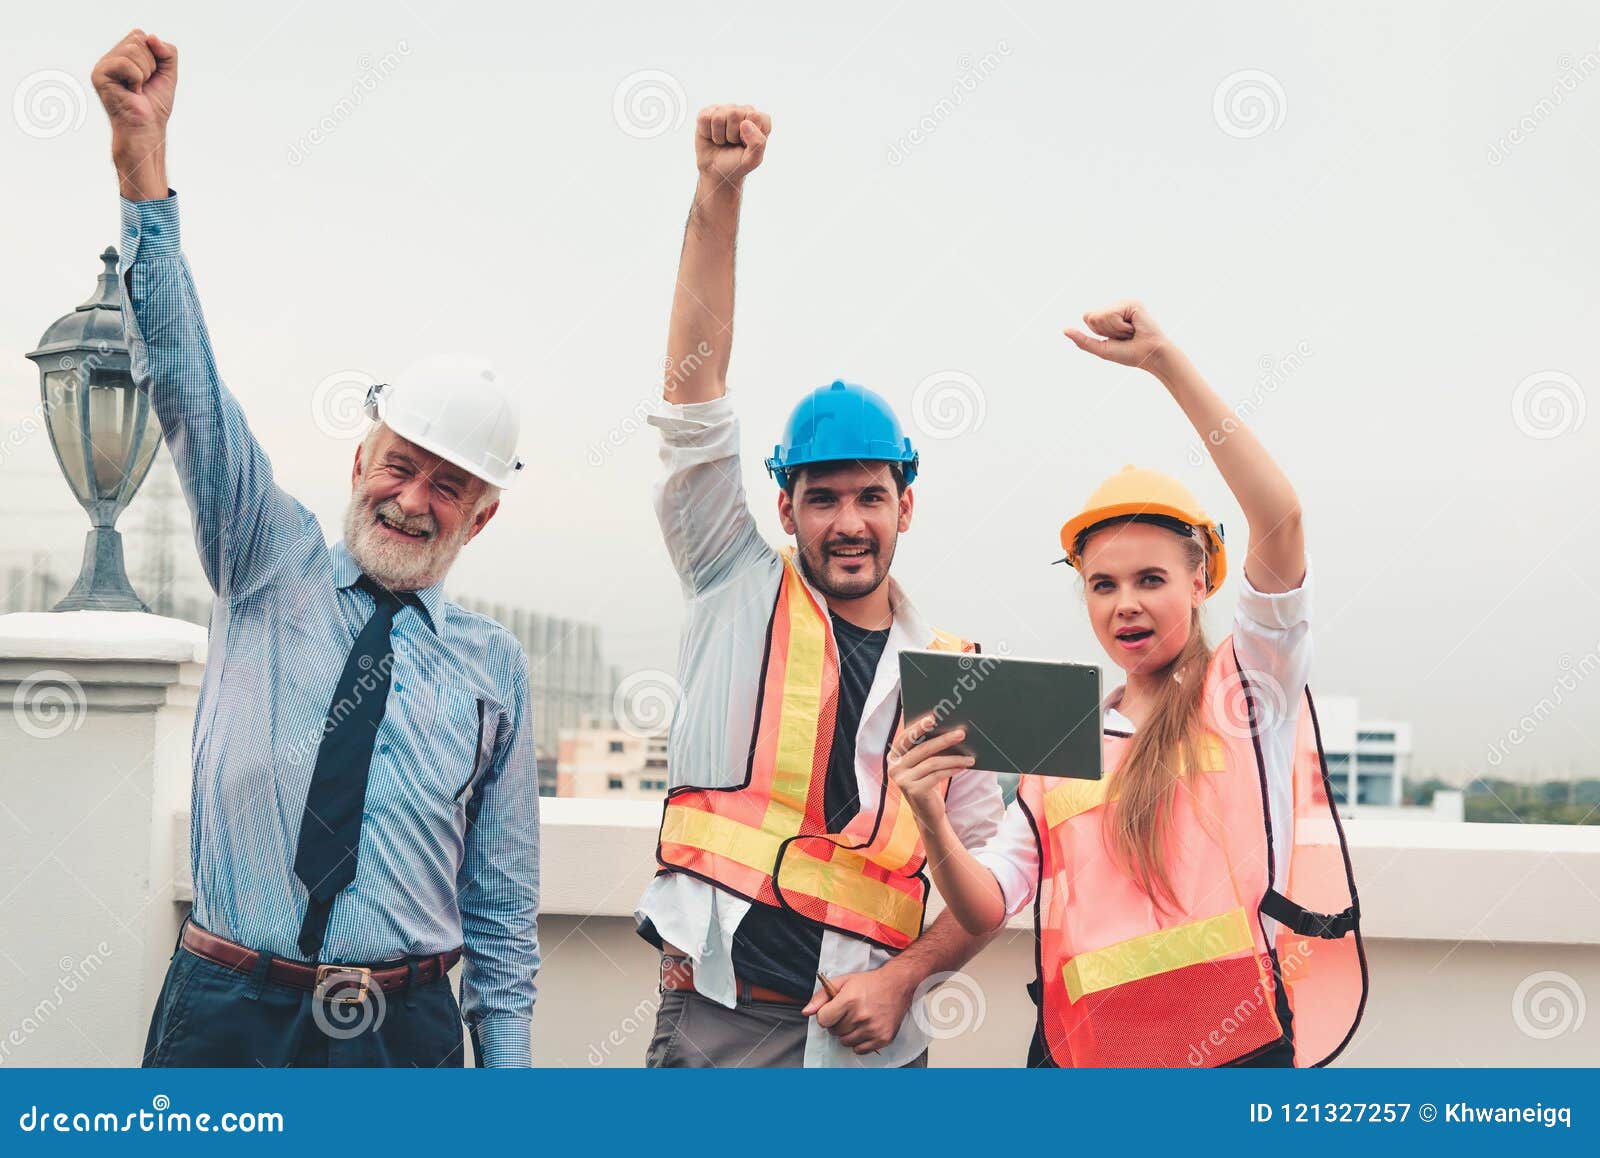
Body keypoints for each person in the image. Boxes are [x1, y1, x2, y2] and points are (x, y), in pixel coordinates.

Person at [93, 29, 541, 1068]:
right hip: (229, 1014)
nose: (413, 499)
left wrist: (510, 1076)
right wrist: (140, 164)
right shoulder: (266, 560)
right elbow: (187, 385)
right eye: (400, 465)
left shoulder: (494, 671)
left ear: (480, 516)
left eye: (448, 484)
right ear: (359, 458)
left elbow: (503, 899)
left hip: (405, 1034)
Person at [890, 300, 1365, 1067]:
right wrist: (927, 813)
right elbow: (986, 901)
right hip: (1085, 1065)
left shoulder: (1248, 689)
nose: (1126, 604)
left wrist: (1163, 363)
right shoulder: (1060, 732)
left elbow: (1280, 519)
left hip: (1228, 1059)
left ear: (1202, 580)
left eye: (1151, 579)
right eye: (1103, 585)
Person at [636, 104, 1005, 1067]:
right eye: (823, 497)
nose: (849, 522)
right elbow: (694, 402)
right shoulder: (729, 579)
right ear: (786, 507)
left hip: (874, 1035)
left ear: (906, 507)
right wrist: (721, 191)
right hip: (724, 1016)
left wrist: (904, 978)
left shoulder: (956, 674)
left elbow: (990, 886)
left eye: (871, 497)